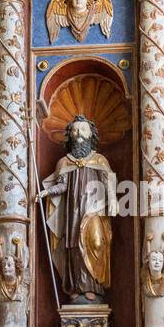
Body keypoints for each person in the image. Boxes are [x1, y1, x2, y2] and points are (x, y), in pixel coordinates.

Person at [40, 115, 117, 304]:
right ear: (70, 135)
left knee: (96, 242)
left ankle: (94, 286)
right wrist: (45, 193)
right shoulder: (64, 162)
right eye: (75, 130)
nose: (78, 134)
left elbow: (109, 181)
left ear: (91, 134)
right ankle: (77, 287)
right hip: (73, 212)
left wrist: (113, 198)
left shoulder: (99, 160)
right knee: (74, 246)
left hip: (94, 209)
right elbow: (62, 186)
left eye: (82, 129)